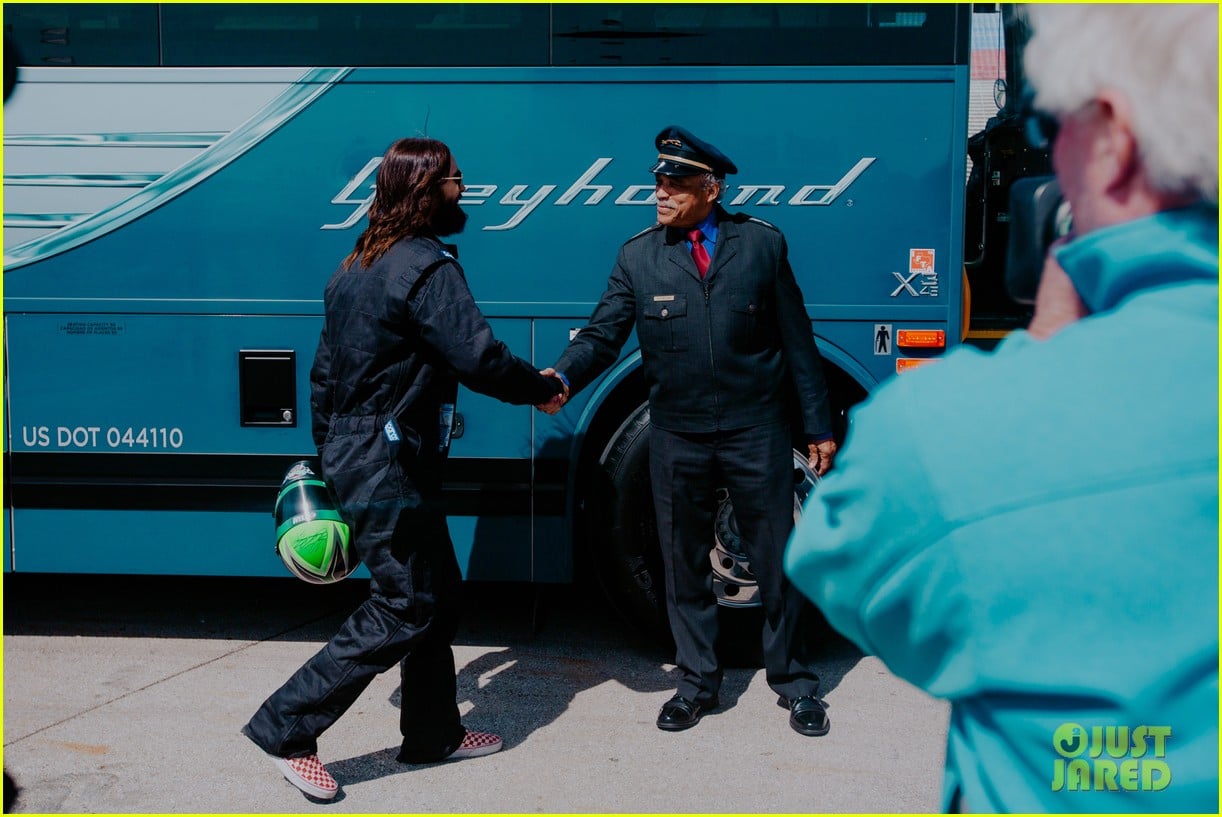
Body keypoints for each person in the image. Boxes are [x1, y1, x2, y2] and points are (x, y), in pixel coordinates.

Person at [785, 4, 1217, 812]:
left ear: (1115, 139)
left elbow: (836, 565)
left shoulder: (951, 434)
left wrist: (1049, 341)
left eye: (1052, 127)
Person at [242, 137, 565, 800]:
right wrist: (541, 387)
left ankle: (432, 732)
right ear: (425, 191)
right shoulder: (425, 266)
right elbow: (479, 356)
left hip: (369, 453)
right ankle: (287, 726)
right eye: (455, 181)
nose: (463, 192)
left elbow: (324, 373)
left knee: (437, 592)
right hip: (389, 459)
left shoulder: (355, 264)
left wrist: (332, 454)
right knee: (405, 603)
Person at [540, 126, 839, 736]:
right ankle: (698, 683)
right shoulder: (639, 256)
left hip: (757, 430)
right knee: (682, 565)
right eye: (659, 182)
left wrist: (816, 424)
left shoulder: (760, 247)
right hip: (677, 435)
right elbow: (602, 334)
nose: (662, 193)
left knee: (778, 561)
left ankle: (795, 682)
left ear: (712, 187)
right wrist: (562, 379)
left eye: (676, 183)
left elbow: (797, 343)